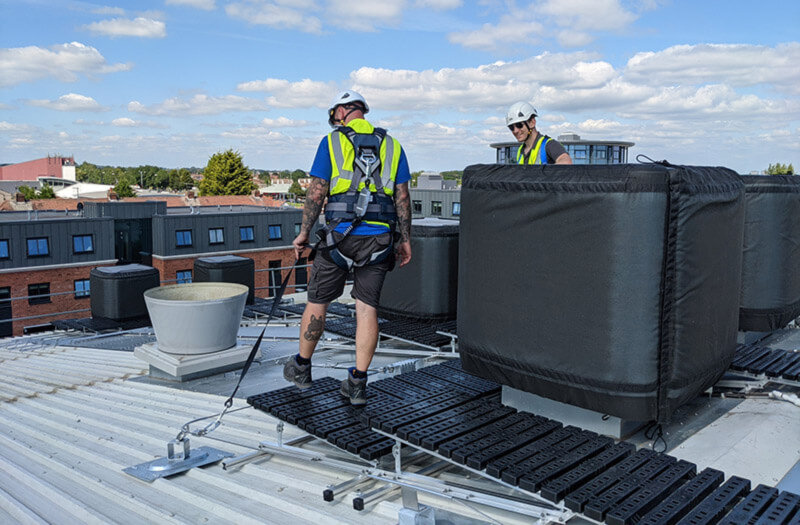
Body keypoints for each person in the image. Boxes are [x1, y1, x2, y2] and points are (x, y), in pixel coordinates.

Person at [283, 90, 413, 406]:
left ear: (343, 110)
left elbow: (316, 194)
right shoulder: (393, 145)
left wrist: (303, 233)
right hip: (379, 240)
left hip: (339, 237)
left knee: (317, 301)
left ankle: (301, 367)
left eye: (335, 112)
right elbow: (402, 197)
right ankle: (357, 383)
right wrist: (406, 238)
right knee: (367, 309)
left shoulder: (331, 142)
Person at [506, 101, 572, 165]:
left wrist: (546, 174)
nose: (515, 131)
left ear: (532, 122)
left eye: (519, 125)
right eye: (511, 127)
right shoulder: (520, 151)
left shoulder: (549, 145)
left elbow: (566, 162)